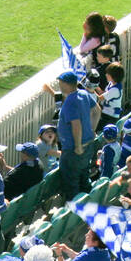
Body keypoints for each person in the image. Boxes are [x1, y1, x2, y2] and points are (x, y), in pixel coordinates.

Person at [54, 71, 97, 199]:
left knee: (71, 184)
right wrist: (92, 130)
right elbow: (97, 111)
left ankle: (74, 214)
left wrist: (78, 146)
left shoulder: (69, 102)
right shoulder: (84, 94)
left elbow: (76, 125)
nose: (59, 85)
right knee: (84, 178)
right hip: (87, 145)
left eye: (61, 82)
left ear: (66, 84)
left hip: (74, 150)